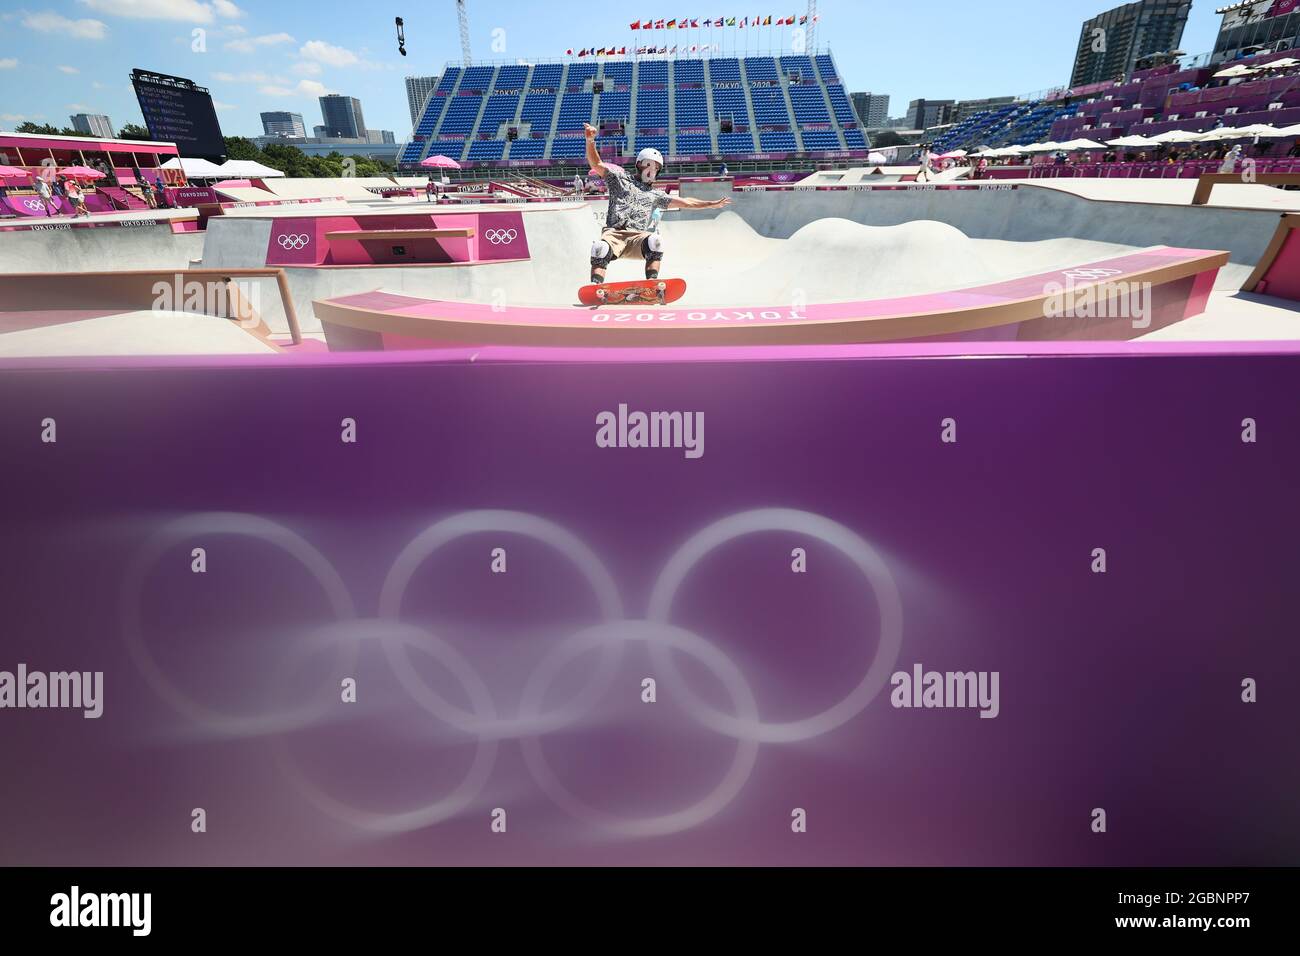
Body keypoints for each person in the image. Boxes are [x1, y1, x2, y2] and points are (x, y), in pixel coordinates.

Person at [583, 122, 729, 286]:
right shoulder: (619, 179)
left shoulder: (656, 195)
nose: (651, 170)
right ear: (639, 164)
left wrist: (710, 204)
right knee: (599, 248)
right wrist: (590, 141)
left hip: (638, 238)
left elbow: (686, 202)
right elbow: (596, 164)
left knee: (656, 241)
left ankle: (651, 284)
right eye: (648, 165)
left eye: (655, 167)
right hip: (613, 235)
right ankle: (596, 286)